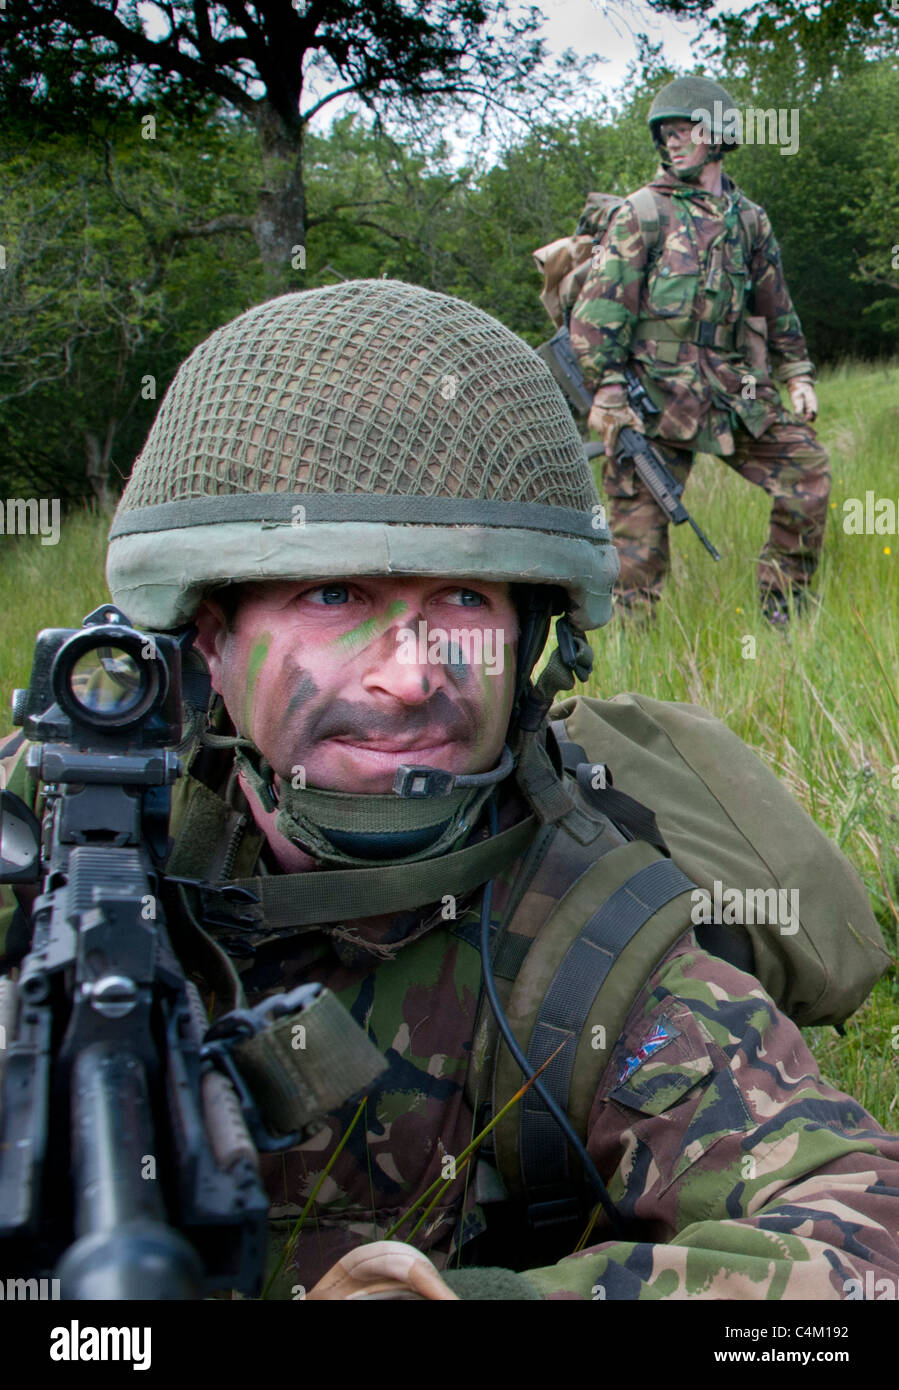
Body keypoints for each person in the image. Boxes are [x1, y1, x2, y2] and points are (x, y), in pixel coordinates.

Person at [1, 280, 897, 1302]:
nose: (411, 673)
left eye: (462, 599)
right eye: (332, 595)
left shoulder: (583, 931)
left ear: (530, 645)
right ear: (207, 635)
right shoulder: (52, 824)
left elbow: (860, 1236)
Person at [569, 77, 830, 624]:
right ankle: (634, 661)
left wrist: (797, 374)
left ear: (719, 135)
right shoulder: (641, 213)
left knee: (806, 473)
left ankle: (783, 610)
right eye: (666, 133)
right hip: (652, 396)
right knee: (636, 553)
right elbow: (597, 319)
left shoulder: (749, 219)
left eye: (686, 129)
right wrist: (611, 392)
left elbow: (776, 305)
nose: (673, 142)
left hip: (732, 388)